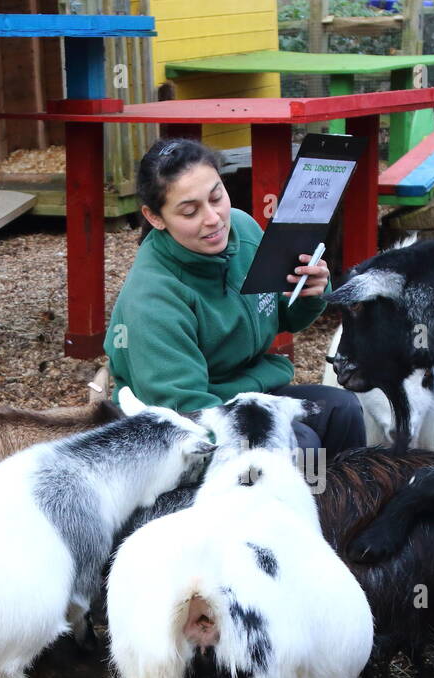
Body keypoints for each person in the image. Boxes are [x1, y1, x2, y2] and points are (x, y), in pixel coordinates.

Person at [105, 138, 365, 457]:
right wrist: (272, 431)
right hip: (179, 428)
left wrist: (311, 291)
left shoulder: (241, 229)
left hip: (250, 393)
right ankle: (300, 503)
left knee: (344, 410)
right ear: (155, 217)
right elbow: (186, 416)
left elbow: (285, 315)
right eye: (190, 211)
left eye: (216, 197)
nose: (213, 218)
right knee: (301, 446)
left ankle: (348, 503)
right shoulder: (152, 299)